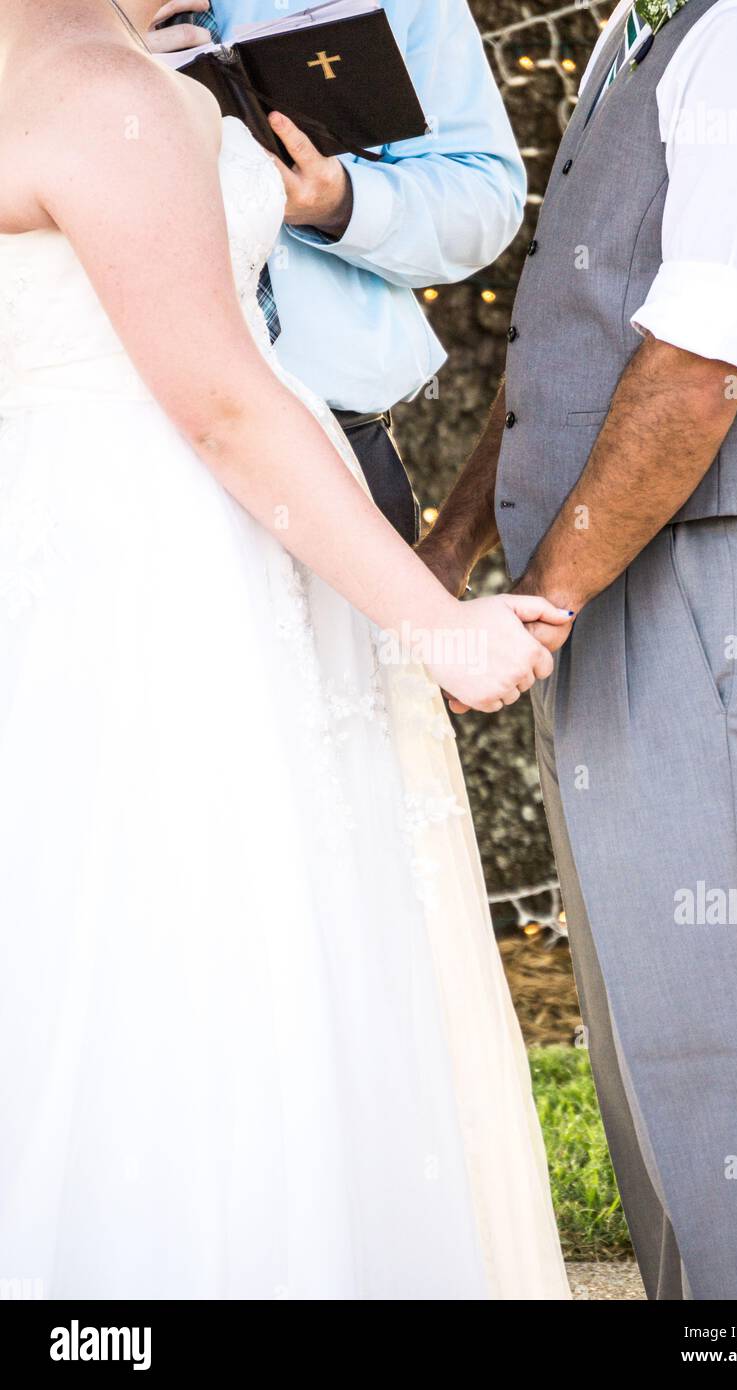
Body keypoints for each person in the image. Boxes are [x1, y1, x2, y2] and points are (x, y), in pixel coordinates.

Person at [0, 0, 572, 1300]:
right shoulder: (116, 95)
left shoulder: (44, 70)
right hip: (176, 575)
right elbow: (221, 403)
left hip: (69, 561)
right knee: (222, 936)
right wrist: (435, 618)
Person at [418, 0, 737, 1300]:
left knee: (727, 1046)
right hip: (640, 573)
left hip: (727, 579)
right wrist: (458, 548)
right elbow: (581, 334)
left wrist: (540, 608)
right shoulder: (649, 25)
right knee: (659, 1043)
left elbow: (692, 368)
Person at [149, 0, 527, 545]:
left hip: (342, 449)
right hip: (105, 447)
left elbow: (484, 198)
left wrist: (339, 202)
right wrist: (92, 77)